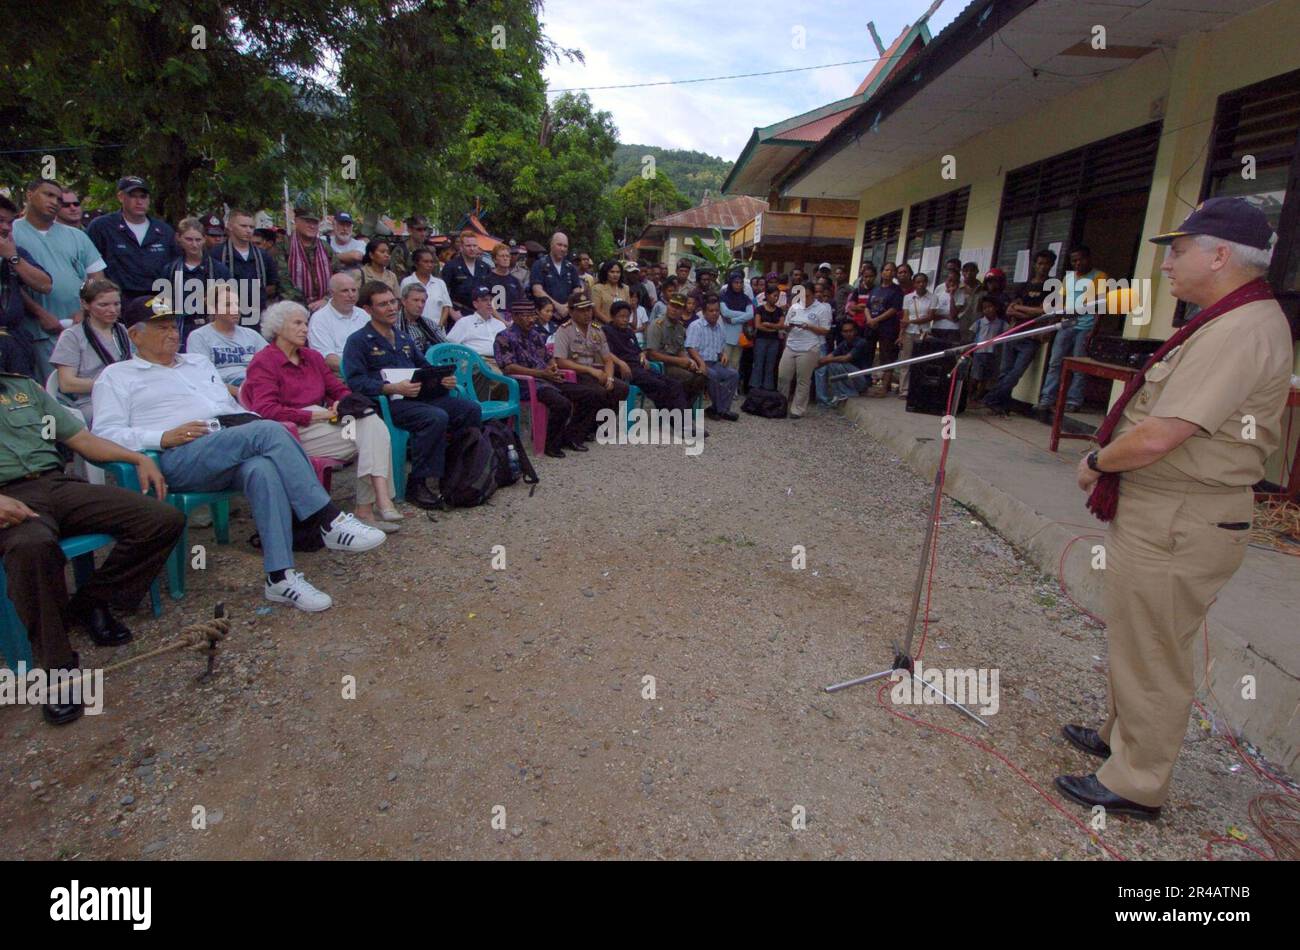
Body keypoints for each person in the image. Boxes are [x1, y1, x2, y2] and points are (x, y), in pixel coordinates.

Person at [1058, 197, 1293, 820]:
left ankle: (1136, 782)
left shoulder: (1242, 328)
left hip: (1184, 514)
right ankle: (1120, 740)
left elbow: (1163, 434)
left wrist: (1098, 462)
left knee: (1155, 647)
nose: (1166, 265)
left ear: (1220, 256)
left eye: (1179, 251)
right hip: (1169, 509)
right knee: (1140, 635)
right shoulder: (1225, 319)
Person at [92, 294, 386, 612]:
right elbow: (104, 433)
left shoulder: (197, 363)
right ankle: (326, 519)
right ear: (135, 335)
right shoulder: (118, 376)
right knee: (269, 429)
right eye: (161, 327)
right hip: (177, 455)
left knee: (263, 468)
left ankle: (280, 577)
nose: (172, 334)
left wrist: (248, 425)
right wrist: (161, 437)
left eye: (174, 326)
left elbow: (230, 407)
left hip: (228, 439)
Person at [0, 366, 185, 724]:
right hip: (8, 501)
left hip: (56, 485)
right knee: (33, 548)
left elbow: (81, 440)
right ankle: (57, 669)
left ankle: (91, 602)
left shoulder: (21, 388)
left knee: (161, 519)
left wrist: (138, 458)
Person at [244, 300, 399, 531]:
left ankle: (371, 506)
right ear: (277, 328)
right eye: (297, 323)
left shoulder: (312, 357)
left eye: (306, 324)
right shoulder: (265, 362)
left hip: (327, 423)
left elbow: (340, 390)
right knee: (372, 435)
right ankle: (374, 504)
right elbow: (266, 410)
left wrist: (340, 402)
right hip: (292, 432)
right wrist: (312, 416)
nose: (305, 329)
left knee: (371, 424)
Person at [343, 282, 483, 511]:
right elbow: (355, 381)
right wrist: (391, 388)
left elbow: (425, 368)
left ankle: (457, 471)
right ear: (368, 309)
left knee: (469, 409)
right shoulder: (358, 341)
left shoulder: (402, 337)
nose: (390, 308)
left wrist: (443, 380)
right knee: (435, 417)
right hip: (387, 403)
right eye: (382, 304)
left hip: (416, 396)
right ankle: (418, 483)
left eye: (392, 302)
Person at [13, 179, 107, 379]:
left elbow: (97, 277)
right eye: (48, 195)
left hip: (79, 327)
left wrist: (86, 310)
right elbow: (9, 283)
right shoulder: (11, 232)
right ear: (30, 194)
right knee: (51, 393)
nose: (55, 202)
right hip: (37, 331)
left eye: (58, 198)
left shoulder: (77, 236)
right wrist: (40, 313)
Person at [495, 298, 604, 457]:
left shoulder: (536, 335)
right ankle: (551, 444)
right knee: (562, 404)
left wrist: (553, 368)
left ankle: (571, 436)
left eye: (532, 315)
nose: (531, 319)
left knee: (593, 394)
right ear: (515, 317)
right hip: (525, 384)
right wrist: (542, 374)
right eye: (526, 315)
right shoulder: (504, 337)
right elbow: (508, 367)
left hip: (547, 379)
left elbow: (548, 357)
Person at [1036, 246, 1109, 417]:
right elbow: (1061, 303)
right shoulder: (1068, 278)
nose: (1077, 263)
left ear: (1088, 259)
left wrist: (1094, 330)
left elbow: (1101, 305)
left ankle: (1073, 401)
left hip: (1086, 327)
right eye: (1074, 261)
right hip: (1066, 325)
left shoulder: (1100, 277)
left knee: (1079, 366)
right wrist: (1053, 326)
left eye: (1080, 259)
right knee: (1055, 363)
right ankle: (1047, 399)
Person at [50, 278, 132, 426]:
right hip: (93, 401)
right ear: (85, 304)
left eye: (116, 304)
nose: (112, 310)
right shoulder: (72, 336)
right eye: (103, 305)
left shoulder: (125, 332)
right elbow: (67, 384)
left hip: (130, 396)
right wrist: (111, 385)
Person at [85, 176, 176, 299]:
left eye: (143, 196)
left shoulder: (164, 231)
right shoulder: (102, 227)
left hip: (157, 301)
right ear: (121, 197)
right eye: (133, 196)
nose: (139, 202)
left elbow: (175, 267)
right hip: (118, 301)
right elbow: (89, 264)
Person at [982, 257, 1051, 415]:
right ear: (1034, 264)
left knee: (1016, 373)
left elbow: (1045, 311)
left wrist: (1023, 309)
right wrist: (1032, 311)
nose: (1042, 266)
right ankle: (1001, 402)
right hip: (1014, 332)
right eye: (1039, 263)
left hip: (1032, 335)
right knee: (1005, 371)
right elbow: (1010, 310)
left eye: (1046, 263)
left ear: (1051, 265)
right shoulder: (1023, 286)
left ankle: (991, 398)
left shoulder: (1051, 287)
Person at [552, 290, 628, 434]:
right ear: (571, 311)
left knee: (621, 388)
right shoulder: (564, 330)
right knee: (597, 391)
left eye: (589, 309)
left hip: (593, 372)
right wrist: (590, 370)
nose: (587, 313)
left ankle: (599, 424)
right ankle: (582, 429)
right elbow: (560, 361)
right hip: (574, 374)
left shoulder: (596, 330)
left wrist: (610, 377)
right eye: (582, 310)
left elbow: (608, 359)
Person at [603, 300, 693, 419]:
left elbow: (638, 349)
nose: (625, 320)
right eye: (621, 316)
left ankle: (680, 419)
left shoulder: (629, 331)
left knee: (674, 384)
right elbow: (605, 352)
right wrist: (620, 363)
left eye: (627, 317)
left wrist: (642, 356)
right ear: (613, 316)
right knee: (659, 385)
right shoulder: (606, 330)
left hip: (639, 365)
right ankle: (677, 421)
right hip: (624, 368)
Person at [0, 194, 54, 379]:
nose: (6, 228)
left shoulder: (15, 252)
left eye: (10, 222)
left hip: (15, 339)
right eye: (1, 221)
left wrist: (13, 258)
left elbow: (45, 284)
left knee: (22, 397)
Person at [156, 216, 233, 345]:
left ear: (204, 239)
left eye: (198, 240)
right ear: (179, 238)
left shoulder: (219, 270)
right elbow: (162, 305)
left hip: (211, 329)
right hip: (179, 329)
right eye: (189, 239)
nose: (194, 244)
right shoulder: (170, 270)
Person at [185, 282, 269, 395]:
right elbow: (203, 377)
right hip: (221, 392)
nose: (236, 309)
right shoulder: (199, 336)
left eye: (237, 304)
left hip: (256, 388)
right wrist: (240, 393)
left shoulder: (251, 335)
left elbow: (272, 363)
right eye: (228, 305)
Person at [214, 209, 281, 329]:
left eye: (251, 227)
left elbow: (273, 284)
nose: (248, 230)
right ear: (229, 226)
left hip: (257, 317)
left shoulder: (263, 256)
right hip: (227, 317)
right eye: (243, 226)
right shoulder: (217, 254)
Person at [778, 278, 834, 417]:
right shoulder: (794, 307)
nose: (804, 298)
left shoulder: (822, 309)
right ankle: (781, 405)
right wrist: (789, 326)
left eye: (807, 295)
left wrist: (809, 326)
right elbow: (786, 325)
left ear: (814, 294)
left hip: (809, 347)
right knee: (783, 376)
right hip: (791, 345)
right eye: (802, 295)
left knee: (803, 380)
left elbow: (826, 330)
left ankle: (798, 409)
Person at [644, 292, 709, 407]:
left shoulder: (680, 327)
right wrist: (680, 361)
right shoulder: (657, 325)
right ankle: (679, 409)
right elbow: (652, 354)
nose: (674, 310)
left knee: (701, 376)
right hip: (660, 365)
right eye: (672, 305)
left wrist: (689, 361)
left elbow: (680, 349)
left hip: (675, 363)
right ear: (668, 305)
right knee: (689, 377)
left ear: (683, 311)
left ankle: (681, 406)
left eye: (678, 307)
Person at [446, 285, 509, 399]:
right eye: (485, 300)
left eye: (491, 300)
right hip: (477, 361)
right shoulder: (464, 322)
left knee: (514, 377)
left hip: (501, 360)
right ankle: (491, 411)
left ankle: (501, 413)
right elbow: (449, 345)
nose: (489, 303)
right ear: (475, 304)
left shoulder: (499, 324)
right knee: (500, 377)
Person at [686, 294, 739, 421]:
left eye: (717, 311)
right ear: (704, 312)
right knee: (713, 375)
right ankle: (721, 410)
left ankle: (719, 408)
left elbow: (720, 349)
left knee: (733, 374)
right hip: (698, 363)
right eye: (711, 311)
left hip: (714, 363)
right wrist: (701, 363)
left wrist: (724, 354)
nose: (715, 314)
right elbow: (690, 348)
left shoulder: (719, 328)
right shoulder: (696, 326)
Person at [307, 273, 367, 372]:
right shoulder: (319, 319)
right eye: (345, 291)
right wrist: (358, 369)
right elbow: (328, 359)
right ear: (332, 293)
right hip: (338, 374)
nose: (351, 295)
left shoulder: (364, 315)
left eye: (354, 290)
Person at [278, 207, 334, 311]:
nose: (312, 226)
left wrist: (326, 299)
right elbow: (282, 280)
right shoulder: (284, 246)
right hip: (292, 306)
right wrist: (303, 305)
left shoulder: (325, 247)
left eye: (315, 223)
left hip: (324, 305)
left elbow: (338, 274)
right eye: (307, 222)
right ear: (296, 221)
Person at [864, 262, 903, 396]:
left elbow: (894, 309)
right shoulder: (875, 289)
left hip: (888, 328)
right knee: (868, 355)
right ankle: (865, 383)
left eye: (892, 270)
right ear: (881, 272)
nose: (889, 272)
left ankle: (884, 387)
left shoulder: (896, 290)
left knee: (887, 356)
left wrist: (877, 319)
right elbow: (867, 306)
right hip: (871, 327)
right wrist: (869, 319)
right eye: (886, 270)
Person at [814, 319, 871, 407]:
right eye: (845, 331)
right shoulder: (844, 343)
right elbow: (830, 356)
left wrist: (826, 361)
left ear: (855, 331)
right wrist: (816, 364)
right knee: (831, 364)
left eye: (850, 331)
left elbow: (846, 358)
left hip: (862, 379)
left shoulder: (861, 343)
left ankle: (848, 393)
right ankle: (840, 394)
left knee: (834, 364)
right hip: (852, 378)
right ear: (842, 333)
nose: (848, 333)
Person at [898, 272, 938, 397]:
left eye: (923, 282)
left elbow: (930, 317)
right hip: (909, 332)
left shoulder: (933, 298)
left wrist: (911, 321)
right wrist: (901, 334)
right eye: (918, 282)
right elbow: (905, 317)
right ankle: (904, 390)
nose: (921, 284)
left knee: (921, 362)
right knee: (906, 361)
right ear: (914, 284)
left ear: (927, 283)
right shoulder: (908, 298)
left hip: (923, 332)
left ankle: (917, 389)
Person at [398, 247, 454, 331]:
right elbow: (402, 306)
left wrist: (440, 325)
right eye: (425, 262)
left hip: (436, 329)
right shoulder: (407, 282)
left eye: (432, 262)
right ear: (416, 263)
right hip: (412, 328)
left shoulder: (440, 283)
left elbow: (446, 307)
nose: (430, 265)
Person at [441, 228, 493, 316]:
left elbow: (489, 293)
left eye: (474, 245)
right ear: (461, 247)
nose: (472, 249)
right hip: (459, 313)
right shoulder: (451, 266)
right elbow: (443, 293)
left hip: (481, 314)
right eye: (468, 246)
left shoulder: (485, 267)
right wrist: (452, 313)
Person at [968, 296, 1007, 401]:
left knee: (986, 377)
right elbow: (971, 335)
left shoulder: (1001, 324)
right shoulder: (979, 322)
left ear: (996, 308)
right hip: (979, 352)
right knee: (975, 375)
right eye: (985, 308)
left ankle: (978, 397)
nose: (987, 310)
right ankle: (969, 395)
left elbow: (1008, 333)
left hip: (993, 353)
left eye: (990, 307)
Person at [750, 279, 784, 391]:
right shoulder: (760, 309)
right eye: (774, 296)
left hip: (774, 341)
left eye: (777, 296)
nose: (776, 298)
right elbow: (758, 325)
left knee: (770, 365)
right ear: (767, 295)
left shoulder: (779, 311)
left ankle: (768, 388)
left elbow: (781, 325)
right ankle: (755, 387)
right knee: (758, 364)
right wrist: (774, 328)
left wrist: (769, 325)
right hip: (761, 339)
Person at [718, 269, 753, 377]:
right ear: (730, 283)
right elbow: (725, 312)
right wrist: (742, 314)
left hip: (739, 337)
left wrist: (734, 320)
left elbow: (751, 314)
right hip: (726, 336)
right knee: (724, 364)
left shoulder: (745, 298)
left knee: (735, 364)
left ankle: (733, 391)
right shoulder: (724, 296)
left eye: (741, 283)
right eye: (736, 282)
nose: (738, 285)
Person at [396, 282, 448, 353]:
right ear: (404, 301)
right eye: (416, 300)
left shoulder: (430, 324)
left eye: (423, 301)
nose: (420, 305)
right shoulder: (393, 324)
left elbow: (447, 348)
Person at [388, 215, 431, 281]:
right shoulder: (400, 251)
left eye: (425, 229)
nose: (423, 233)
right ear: (409, 230)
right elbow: (399, 278)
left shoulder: (428, 251)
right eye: (419, 230)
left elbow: (435, 275)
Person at [486, 243, 525, 315]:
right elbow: (486, 304)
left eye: (507, 256)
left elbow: (520, 304)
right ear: (494, 260)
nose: (505, 258)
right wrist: (503, 321)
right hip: (492, 319)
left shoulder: (515, 281)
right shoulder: (487, 280)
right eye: (502, 256)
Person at [590, 259, 628, 325]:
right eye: (612, 272)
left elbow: (627, 309)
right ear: (606, 273)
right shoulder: (597, 288)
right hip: (603, 327)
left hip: (622, 327)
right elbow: (596, 311)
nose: (615, 275)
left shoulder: (625, 288)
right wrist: (612, 323)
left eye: (618, 272)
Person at [929, 272, 963, 345]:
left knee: (949, 353)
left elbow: (953, 315)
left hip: (952, 329)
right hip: (937, 328)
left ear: (958, 282)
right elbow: (931, 315)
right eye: (950, 280)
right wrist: (945, 316)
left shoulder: (961, 294)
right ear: (945, 281)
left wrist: (951, 296)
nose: (952, 283)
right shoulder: (938, 293)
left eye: (955, 281)